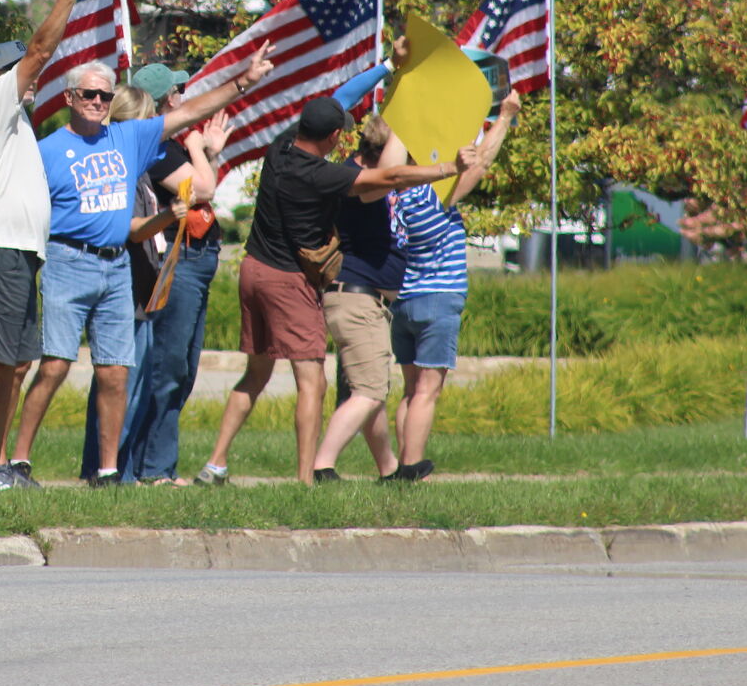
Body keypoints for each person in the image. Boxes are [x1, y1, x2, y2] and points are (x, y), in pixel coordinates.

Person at [198, 61, 476, 487]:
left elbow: (340, 99)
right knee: (313, 381)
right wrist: (447, 168)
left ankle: (216, 463)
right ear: (332, 137)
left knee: (255, 374)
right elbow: (393, 174)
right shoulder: (325, 175)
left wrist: (385, 66)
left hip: (252, 269)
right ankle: (308, 479)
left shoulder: (281, 147)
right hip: (288, 279)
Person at [10, 42, 276, 486]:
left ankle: (110, 471)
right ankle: (19, 461)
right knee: (55, 366)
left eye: (104, 95)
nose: (97, 102)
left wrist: (242, 82)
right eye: (88, 95)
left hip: (116, 269)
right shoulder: (48, 149)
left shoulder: (127, 138)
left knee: (115, 372)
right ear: (71, 98)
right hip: (67, 261)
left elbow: (188, 114)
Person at [0, 0, 86, 490]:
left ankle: (0, 463)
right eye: (17, 71)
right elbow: (38, 52)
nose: (31, 76)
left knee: (14, 363)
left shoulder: (17, 123)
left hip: (18, 255)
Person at [389, 89, 521, 482]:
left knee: (411, 392)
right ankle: (410, 469)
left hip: (407, 301)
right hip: (438, 300)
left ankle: (401, 464)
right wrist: (504, 117)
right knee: (428, 391)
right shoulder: (430, 196)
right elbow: (480, 164)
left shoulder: (397, 198)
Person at [77, 85, 195, 481]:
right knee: (119, 389)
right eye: (150, 122)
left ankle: (119, 471)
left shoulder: (139, 168)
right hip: (124, 291)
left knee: (138, 388)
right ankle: (105, 473)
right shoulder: (119, 171)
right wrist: (167, 218)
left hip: (145, 293)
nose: (157, 131)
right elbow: (133, 230)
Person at [118, 69, 229, 486]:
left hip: (199, 260)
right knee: (168, 367)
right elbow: (202, 189)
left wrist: (207, 152)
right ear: (166, 100)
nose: (185, 94)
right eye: (179, 90)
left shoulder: (170, 146)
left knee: (184, 366)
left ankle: (160, 464)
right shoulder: (160, 149)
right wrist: (200, 148)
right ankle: (154, 468)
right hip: (178, 262)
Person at [310, 113, 409, 483]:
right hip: (358, 299)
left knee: (371, 392)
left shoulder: (364, 174)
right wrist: (404, 124)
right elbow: (384, 179)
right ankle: (322, 466)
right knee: (368, 391)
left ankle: (390, 469)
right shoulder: (359, 179)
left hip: (364, 300)